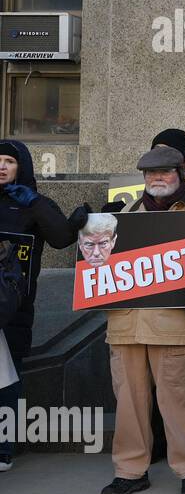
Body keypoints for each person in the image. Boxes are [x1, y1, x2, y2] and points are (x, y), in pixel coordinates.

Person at [100, 146, 185, 494]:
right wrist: (88, 228)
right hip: (126, 325)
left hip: (176, 323)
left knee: (180, 400)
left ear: (181, 172)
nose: (157, 179)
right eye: (150, 174)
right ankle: (129, 471)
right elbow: (95, 265)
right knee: (128, 402)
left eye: (165, 172)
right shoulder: (123, 213)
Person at [0, 139, 83, 472]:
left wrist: (36, 203)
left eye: (9, 161)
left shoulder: (33, 203)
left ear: (23, 167)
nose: (2, 166)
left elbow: (62, 237)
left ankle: (3, 448)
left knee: (7, 378)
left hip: (13, 308)